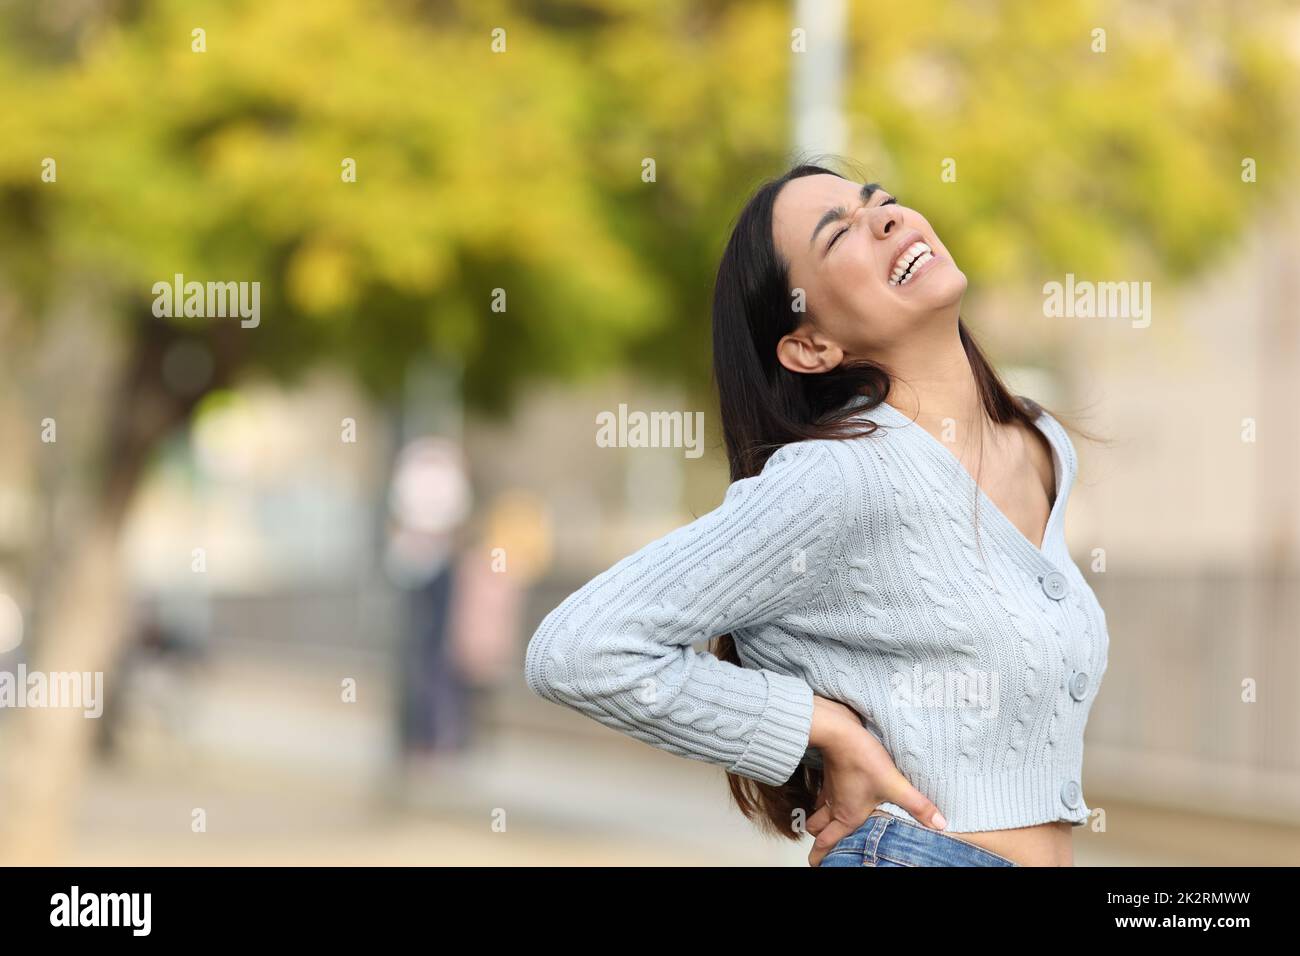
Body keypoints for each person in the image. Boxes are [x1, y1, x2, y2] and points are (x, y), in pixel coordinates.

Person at [524, 161, 1108, 867]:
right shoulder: (838, 475)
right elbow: (577, 650)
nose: (889, 219)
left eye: (881, 202)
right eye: (841, 236)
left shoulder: (1041, 445)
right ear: (810, 346)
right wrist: (822, 724)